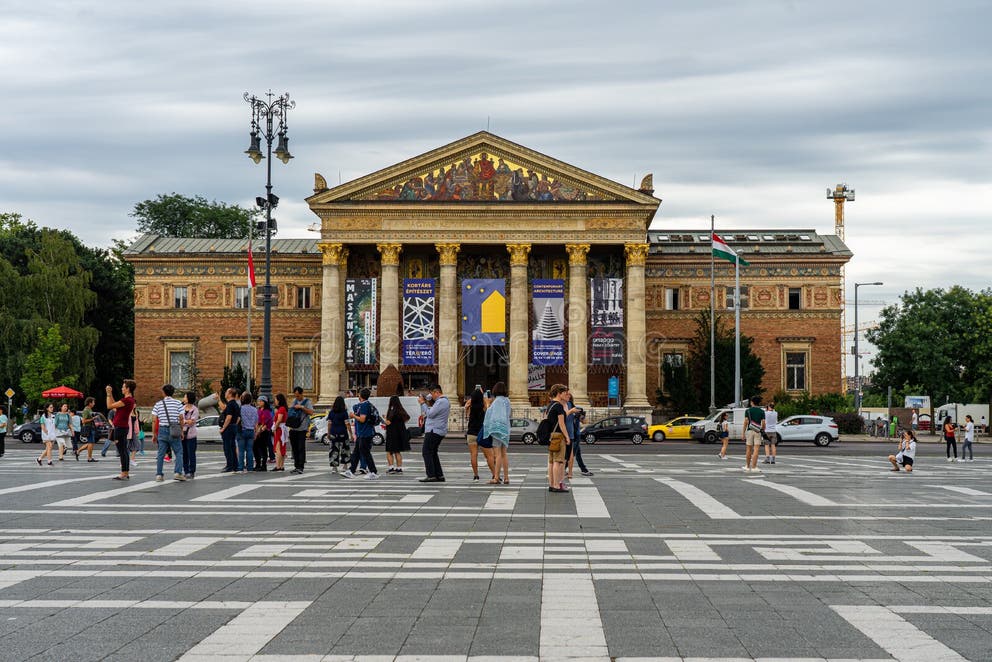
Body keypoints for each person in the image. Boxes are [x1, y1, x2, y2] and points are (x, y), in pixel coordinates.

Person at [151, 384, 186, 482]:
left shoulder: (158, 404)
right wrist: (181, 430)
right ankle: (178, 473)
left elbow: (154, 420)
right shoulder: (178, 403)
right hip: (174, 429)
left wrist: (154, 434)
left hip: (162, 430)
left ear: (163, 392)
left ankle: (159, 475)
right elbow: (181, 418)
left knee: (161, 454)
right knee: (179, 452)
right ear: (173, 392)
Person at [343, 387, 379, 480]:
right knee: (356, 452)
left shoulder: (364, 406)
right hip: (361, 433)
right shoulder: (363, 405)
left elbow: (362, 419)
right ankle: (351, 470)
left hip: (365, 433)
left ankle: (373, 471)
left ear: (360, 395)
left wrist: (353, 416)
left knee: (365, 452)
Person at [106, 380, 137, 480]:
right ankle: (125, 472)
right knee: (124, 450)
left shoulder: (127, 400)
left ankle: (124, 472)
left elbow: (109, 406)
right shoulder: (128, 400)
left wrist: (108, 394)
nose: (122, 388)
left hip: (120, 427)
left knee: (122, 451)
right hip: (122, 427)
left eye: (123, 387)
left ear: (128, 389)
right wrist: (110, 395)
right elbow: (114, 406)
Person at [483, 381, 512, 484]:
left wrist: (487, 404)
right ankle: (506, 477)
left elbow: (490, 413)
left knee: (497, 454)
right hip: (506, 429)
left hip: (497, 429)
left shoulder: (496, 401)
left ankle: (496, 477)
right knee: (504, 454)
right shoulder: (507, 401)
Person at [419, 384, 449, 482]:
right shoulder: (441, 401)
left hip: (434, 430)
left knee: (426, 452)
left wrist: (423, 403)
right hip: (437, 430)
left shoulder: (441, 401)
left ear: (436, 392)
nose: (431, 396)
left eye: (432, 393)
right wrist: (427, 400)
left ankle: (431, 475)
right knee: (433, 452)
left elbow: (430, 414)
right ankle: (439, 475)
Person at [464, 386, 493, 481]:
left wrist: (472, 399)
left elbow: (466, 408)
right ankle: (494, 474)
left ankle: (476, 475)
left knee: (473, 455)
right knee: (489, 455)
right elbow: (488, 408)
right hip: (482, 433)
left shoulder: (470, 408)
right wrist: (484, 398)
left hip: (471, 433)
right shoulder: (484, 407)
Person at [545, 384, 571, 492]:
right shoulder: (559, 406)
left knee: (551, 461)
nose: (566, 395)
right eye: (565, 393)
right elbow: (562, 424)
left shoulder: (550, 405)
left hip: (551, 435)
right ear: (559, 394)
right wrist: (567, 437)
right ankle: (556, 485)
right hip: (559, 436)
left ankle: (551, 484)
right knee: (558, 461)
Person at [564, 396, 592, 478]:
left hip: (576, 434)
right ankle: (581, 470)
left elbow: (584, 421)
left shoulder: (575, 411)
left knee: (577, 453)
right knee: (572, 454)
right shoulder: (568, 411)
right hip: (573, 435)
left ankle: (583, 469)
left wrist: (582, 416)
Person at [288, 386, 314, 474]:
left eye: (298, 395)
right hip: (293, 428)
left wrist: (302, 407)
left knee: (301, 447)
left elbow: (311, 412)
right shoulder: (294, 401)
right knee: (294, 448)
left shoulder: (307, 402)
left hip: (302, 428)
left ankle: (301, 466)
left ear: (302, 394)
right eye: (295, 395)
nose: (297, 397)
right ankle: (296, 466)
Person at [383, 394, 410, 474]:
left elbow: (388, 422)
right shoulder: (400, 409)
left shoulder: (392, 410)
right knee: (397, 452)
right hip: (400, 433)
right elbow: (407, 418)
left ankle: (391, 468)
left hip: (392, 433)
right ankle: (399, 468)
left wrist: (384, 418)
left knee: (389, 451)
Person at [219, 388, 241, 473]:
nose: (225, 393)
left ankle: (229, 465)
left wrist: (223, 428)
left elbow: (229, 417)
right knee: (232, 446)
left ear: (230, 394)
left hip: (229, 428)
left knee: (227, 447)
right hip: (234, 427)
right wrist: (235, 424)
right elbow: (238, 417)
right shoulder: (235, 404)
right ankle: (235, 465)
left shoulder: (230, 404)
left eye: (226, 392)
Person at [743, 395, 765, 473]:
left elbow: (746, 422)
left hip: (749, 430)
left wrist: (743, 433)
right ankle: (754, 466)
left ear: (752, 402)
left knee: (749, 449)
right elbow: (763, 422)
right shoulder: (762, 411)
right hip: (757, 431)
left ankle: (747, 466)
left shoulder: (748, 411)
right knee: (756, 449)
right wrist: (762, 430)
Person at [238, 392, 258, 474]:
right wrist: (255, 432)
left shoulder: (241, 408)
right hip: (251, 431)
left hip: (242, 430)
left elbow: (239, 419)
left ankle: (240, 467)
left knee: (241, 450)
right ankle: (250, 467)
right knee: (250, 450)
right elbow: (256, 422)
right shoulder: (254, 409)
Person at [181, 391, 199, 478]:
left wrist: (183, 421)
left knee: (191, 453)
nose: (183, 398)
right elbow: (179, 420)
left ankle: (192, 471)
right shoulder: (182, 408)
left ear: (189, 398)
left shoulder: (195, 409)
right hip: (182, 434)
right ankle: (186, 471)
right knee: (184, 454)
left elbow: (192, 422)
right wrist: (186, 421)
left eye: (185, 397)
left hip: (191, 435)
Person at [254, 395, 273, 471]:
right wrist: (256, 430)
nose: (259, 402)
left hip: (264, 431)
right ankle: (258, 464)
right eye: (259, 401)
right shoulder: (258, 410)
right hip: (257, 430)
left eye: (261, 401)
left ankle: (263, 465)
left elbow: (267, 422)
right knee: (255, 448)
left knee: (263, 448)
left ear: (265, 402)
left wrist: (260, 430)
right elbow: (256, 420)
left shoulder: (267, 411)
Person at [272, 393, 289, 472]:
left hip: (279, 429)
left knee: (277, 448)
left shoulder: (281, 409)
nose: (275, 401)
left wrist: (275, 428)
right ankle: (281, 465)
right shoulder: (283, 408)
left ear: (279, 400)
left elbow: (279, 419)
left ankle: (278, 466)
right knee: (282, 448)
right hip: (282, 429)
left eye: (275, 400)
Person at [79, 398, 97, 462]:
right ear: (90, 403)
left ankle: (78, 451)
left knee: (91, 443)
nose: (94, 404)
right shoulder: (86, 410)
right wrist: (93, 419)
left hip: (91, 427)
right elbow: (83, 421)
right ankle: (89, 458)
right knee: (90, 443)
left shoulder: (89, 409)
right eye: (93, 402)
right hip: (88, 427)